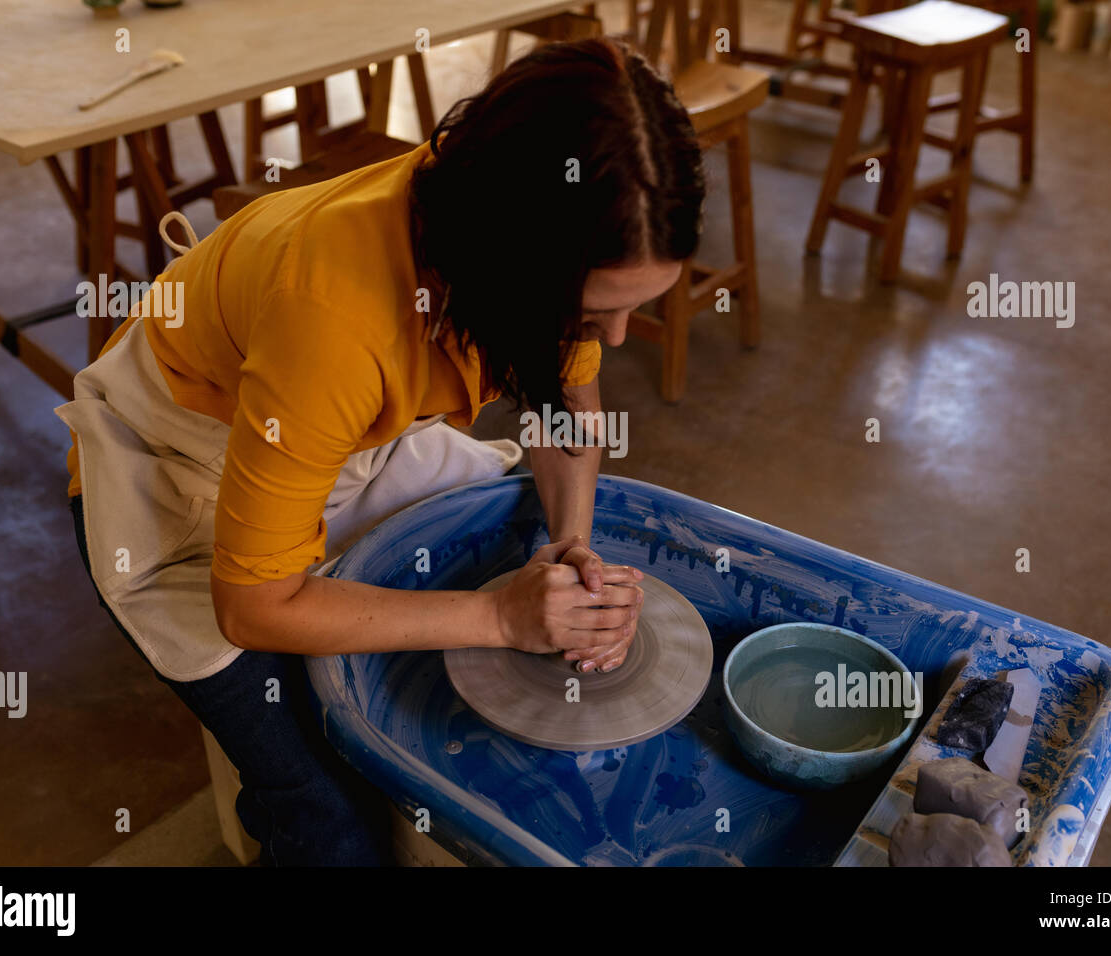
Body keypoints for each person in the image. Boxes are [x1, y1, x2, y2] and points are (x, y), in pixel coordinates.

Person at [57, 36, 706, 865]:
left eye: (631, 310)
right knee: (337, 818)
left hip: (334, 440)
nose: (616, 338)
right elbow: (250, 605)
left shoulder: (509, 200)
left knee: (487, 591)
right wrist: (497, 617)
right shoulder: (335, 317)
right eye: (590, 317)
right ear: (506, 265)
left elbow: (565, 410)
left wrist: (567, 543)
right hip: (172, 477)